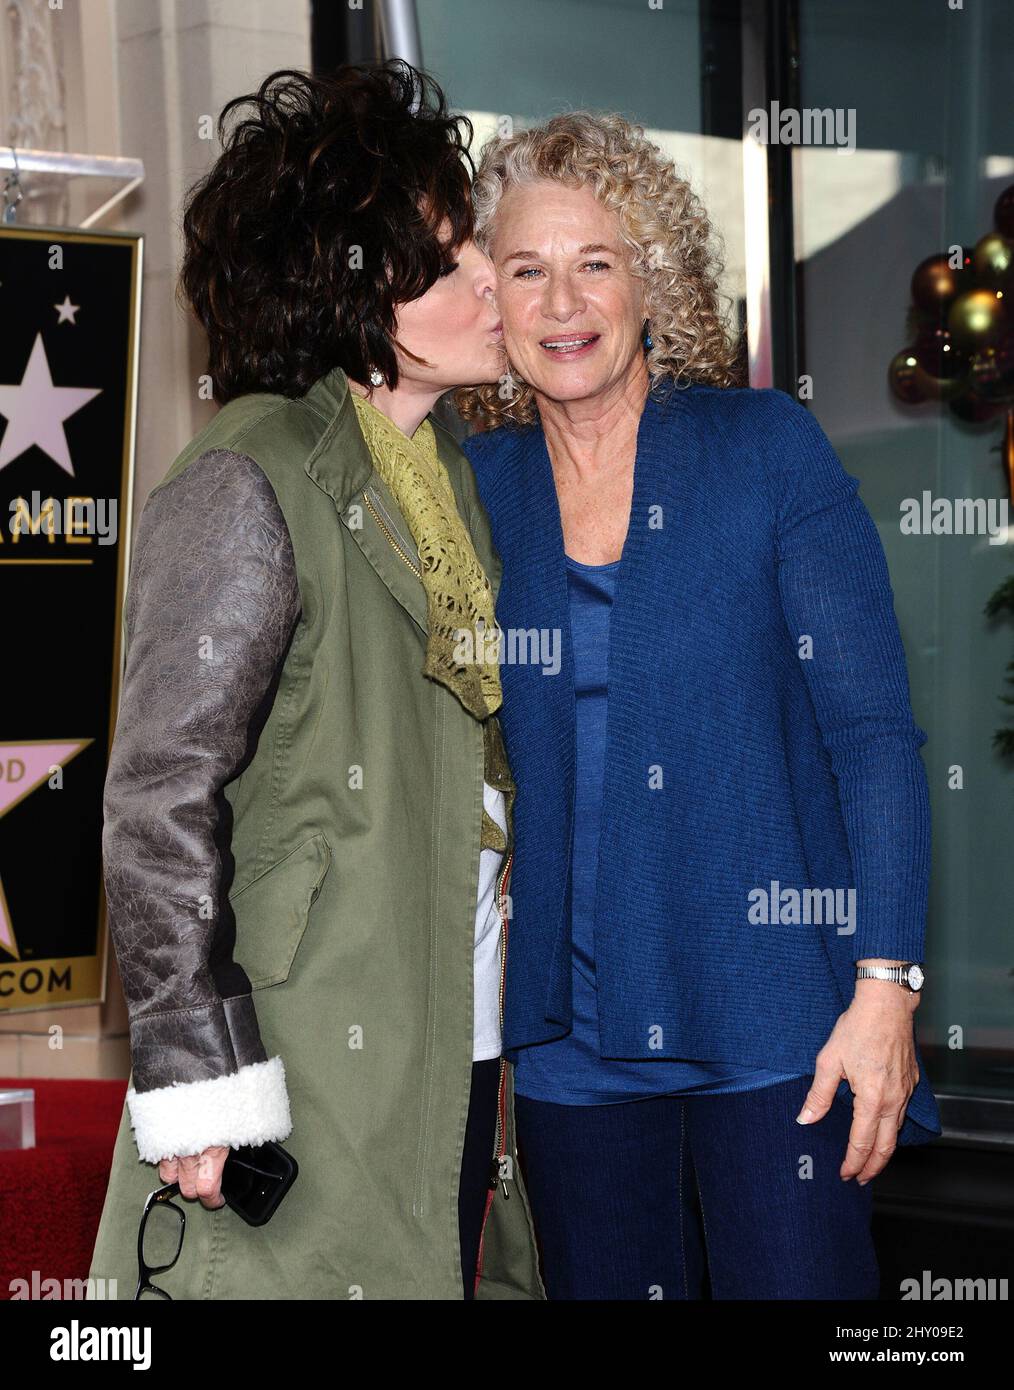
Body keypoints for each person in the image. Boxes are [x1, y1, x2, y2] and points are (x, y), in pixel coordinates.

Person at [457, 111, 941, 1300]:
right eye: (527, 269)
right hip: (571, 1041)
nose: (562, 301)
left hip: (780, 1021)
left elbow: (873, 738)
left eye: (595, 263)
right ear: (492, 299)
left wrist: (887, 989)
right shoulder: (476, 490)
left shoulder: (764, 449)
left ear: (653, 280)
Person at [87, 62, 543, 1301]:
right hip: (302, 1068)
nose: (490, 282)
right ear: (354, 292)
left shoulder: (443, 477)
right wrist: (195, 1073)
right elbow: (159, 791)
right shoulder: (255, 471)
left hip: (448, 1047)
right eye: (449, 262)